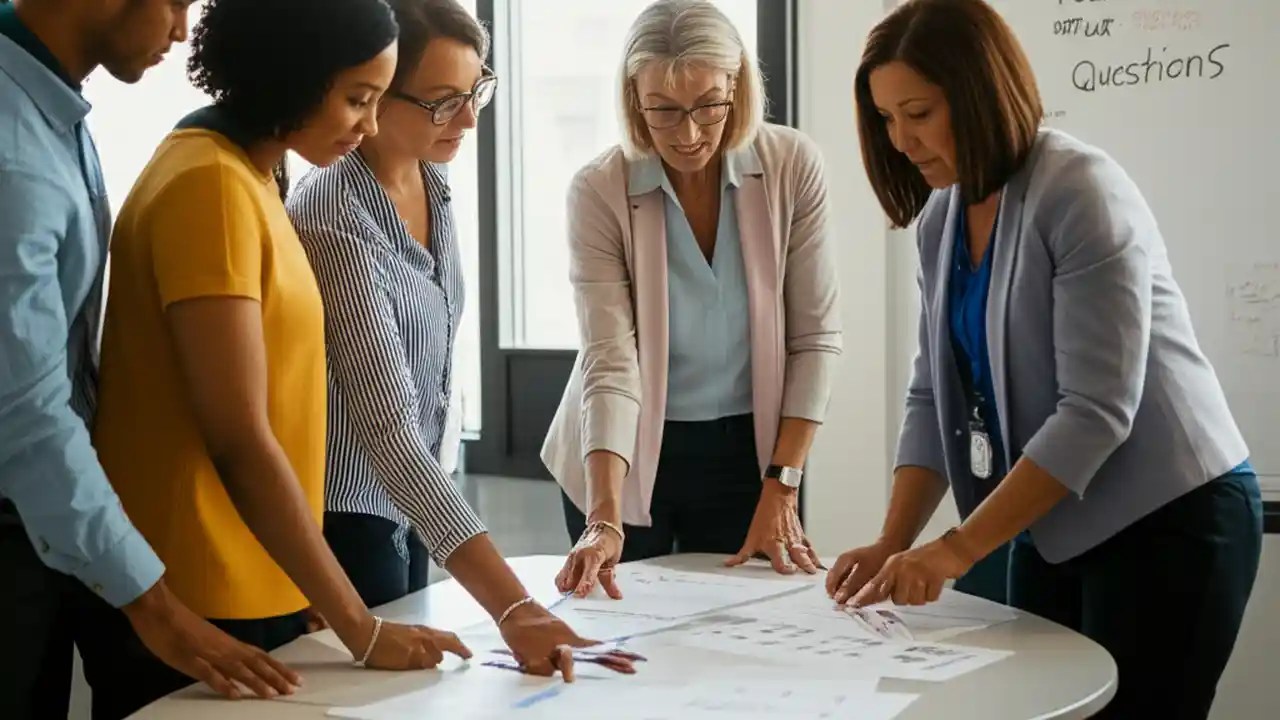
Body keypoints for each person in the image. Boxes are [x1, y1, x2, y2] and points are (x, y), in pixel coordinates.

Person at [827, 0, 1263, 717]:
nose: (900, 139)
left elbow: (1094, 412)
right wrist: (892, 542)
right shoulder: (941, 216)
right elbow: (933, 395)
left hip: (1173, 517)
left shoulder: (1081, 189)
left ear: (977, 93)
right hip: (1054, 523)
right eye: (884, 118)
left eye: (919, 112)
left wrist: (957, 549)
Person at [79, 1, 490, 717]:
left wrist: (308, 592)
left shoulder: (256, 178)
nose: (367, 126)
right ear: (292, 79)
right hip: (202, 591)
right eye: (357, 99)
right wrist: (360, 626)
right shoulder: (210, 186)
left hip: (250, 580)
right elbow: (239, 438)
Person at [286, 0, 637, 678]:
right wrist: (513, 608)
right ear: (378, 89)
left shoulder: (430, 171)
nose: (471, 120)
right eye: (444, 102)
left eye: (477, 91)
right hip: (351, 516)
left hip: (418, 505)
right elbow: (388, 431)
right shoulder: (333, 214)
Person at [0, 1, 302, 716]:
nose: (181, 29)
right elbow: (29, 411)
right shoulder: (13, 147)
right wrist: (156, 606)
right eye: (178, 1)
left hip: (45, 538)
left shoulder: (51, 112)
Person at [543, 0, 842, 600]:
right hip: (619, 453)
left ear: (737, 87)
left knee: (744, 636)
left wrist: (783, 484)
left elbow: (814, 338)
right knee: (623, 638)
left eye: (709, 105)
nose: (689, 133)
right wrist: (605, 514)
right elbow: (611, 360)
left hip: (749, 456)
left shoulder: (791, 166)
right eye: (664, 111)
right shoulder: (599, 189)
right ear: (634, 100)